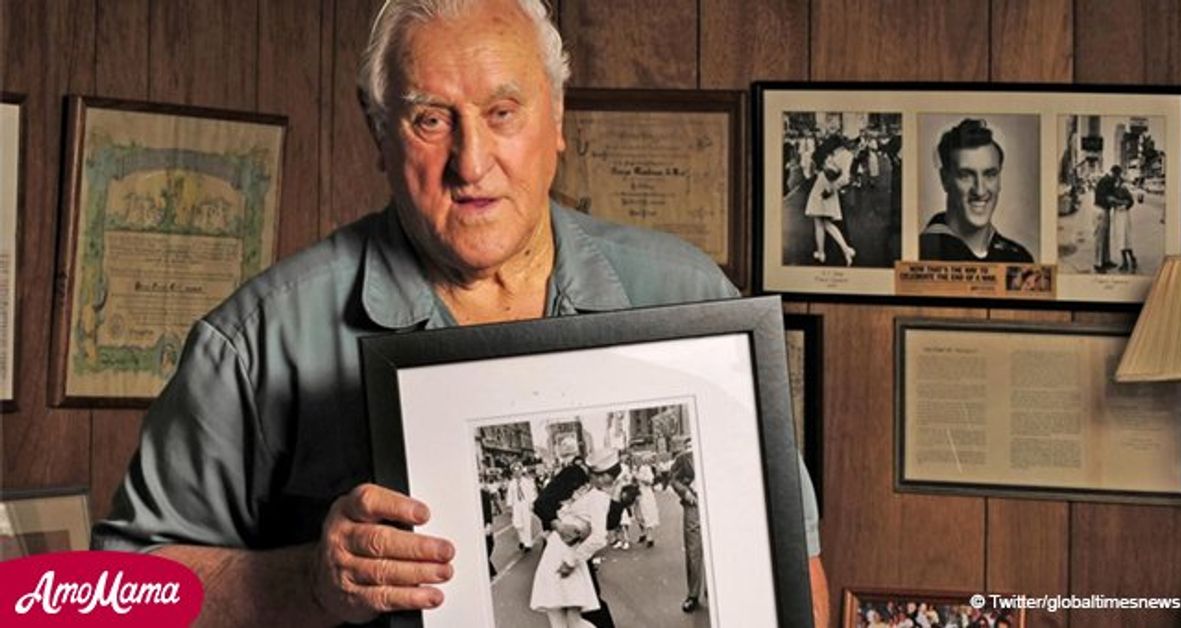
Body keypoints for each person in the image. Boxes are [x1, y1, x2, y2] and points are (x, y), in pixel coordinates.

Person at [90, 1, 829, 626]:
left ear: (557, 117)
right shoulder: (258, 340)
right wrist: (310, 580)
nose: (471, 162)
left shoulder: (688, 298)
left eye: (503, 113)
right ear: (378, 130)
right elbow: (111, 599)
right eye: (431, 119)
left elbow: (796, 579)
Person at [919, 118, 1034, 263]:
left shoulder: (1019, 258)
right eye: (965, 175)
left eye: (990, 174)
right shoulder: (921, 252)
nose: (980, 191)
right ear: (945, 179)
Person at [529, 449, 621, 628]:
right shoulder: (572, 474)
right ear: (599, 473)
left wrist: (587, 527)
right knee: (561, 606)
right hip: (561, 546)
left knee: (580, 604)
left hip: (577, 549)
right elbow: (541, 503)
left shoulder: (600, 493)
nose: (608, 484)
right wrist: (559, 526)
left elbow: (609, 522)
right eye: (608, 478)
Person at [805, 143, 856, 266]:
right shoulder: (839, 156)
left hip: (823, 188)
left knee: (820, 222)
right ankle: (831, 251)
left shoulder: (840, 156)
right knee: (824, 223)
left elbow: (843, 178)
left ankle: (826, 252)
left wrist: (830, 189)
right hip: (826, 186)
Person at [670, 442, 704, 613]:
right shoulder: (684, 457)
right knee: (693, 550)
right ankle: (693, 595)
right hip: (694, 503)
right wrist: (685, 492)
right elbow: (674, 478)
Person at [1092, 164, 1126, 273]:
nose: (1118, 178)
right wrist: (1121, 202)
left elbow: (1112, 196)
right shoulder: (1108, 180)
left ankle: (1106, 260)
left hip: (1104, 210)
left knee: (1106, 237)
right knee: (1100, 238)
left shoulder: (1107, 180)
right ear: (1116, 174)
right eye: (1118, 175)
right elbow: (1110, 198)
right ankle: (1098, 264)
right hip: (1100, 210)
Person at [506, 462, 538, 552]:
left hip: (525, 505)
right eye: (514, 471)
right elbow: (510, 495)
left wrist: (532, 504)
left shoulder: (527, 482)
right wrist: (510, 507)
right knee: (518, 524)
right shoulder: (511, 484)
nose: (517, 473)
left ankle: (528, 544)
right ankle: (522, 540)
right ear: (513, 472)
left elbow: (532, 494)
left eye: (518, 470)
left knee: (526, 524)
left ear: (521, 471)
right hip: (516, 505)